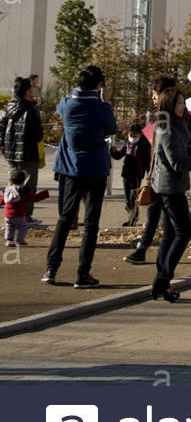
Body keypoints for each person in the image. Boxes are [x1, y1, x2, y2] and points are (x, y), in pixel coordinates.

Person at [125, 74, 191, 264]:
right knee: (171, 225)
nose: (153, 98)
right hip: (163, 178)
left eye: (155, 94)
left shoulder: (173, 122)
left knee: (172, 227)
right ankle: (162, 266)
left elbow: (179, 154)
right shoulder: (164, 121)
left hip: (167, 179)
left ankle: (152, 259)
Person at [42, 65, 117, 288]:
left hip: (70, 168)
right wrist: (106, 101)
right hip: (95, 168)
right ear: (99, 85)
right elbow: (111, 128)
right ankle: (83, 273)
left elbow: (60, 106)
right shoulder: (101, 108)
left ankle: (51, 267)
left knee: (65, 218)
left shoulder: (68, 104)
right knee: (91, 223)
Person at [149, 87, 191, 303]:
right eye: (178, 104)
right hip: (170, 188)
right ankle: (162, 279)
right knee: (183, 233)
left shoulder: (172, 126)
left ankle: (163, 284)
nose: (182, 107)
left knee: (170, 234)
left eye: (183, 103)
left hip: (166, 186)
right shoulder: (169, 129)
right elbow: (178, 162)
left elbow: (181, 152)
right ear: (169, 106)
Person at [0, 75, 44, 220]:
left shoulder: (9, 107)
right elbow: (38, 134)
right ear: (27, 92)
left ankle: (10, 213)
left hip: (10, 152)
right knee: (28, 185)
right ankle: (25, 216)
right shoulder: (31, 110)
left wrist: (4, 147)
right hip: (28, 153)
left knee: (12, 184)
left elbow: (1, 128)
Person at [110, 123, 151, 225]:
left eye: (135, 135)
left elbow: (147, 161)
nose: (133, 137)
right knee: (128, 199)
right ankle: (131, 216)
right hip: (126, 173)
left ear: (140, 134)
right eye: (131, 135)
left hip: (137, 174)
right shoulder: (127, 142)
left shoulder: (144, 144)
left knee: (134, 198)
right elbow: (119, 154)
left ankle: (133, 219)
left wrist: (148, 174)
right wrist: (113, 151)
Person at [4, 168, 49, 245]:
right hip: (19, 215)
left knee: (10, 226)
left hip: (8, 215)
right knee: (23, 226)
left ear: (11, 180)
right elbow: (34, 198)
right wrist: (44, 194)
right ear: (23, 181)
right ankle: (20, 239)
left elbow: (1, 200)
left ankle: (9, 240)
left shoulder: (8, 191)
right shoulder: (23, 192)